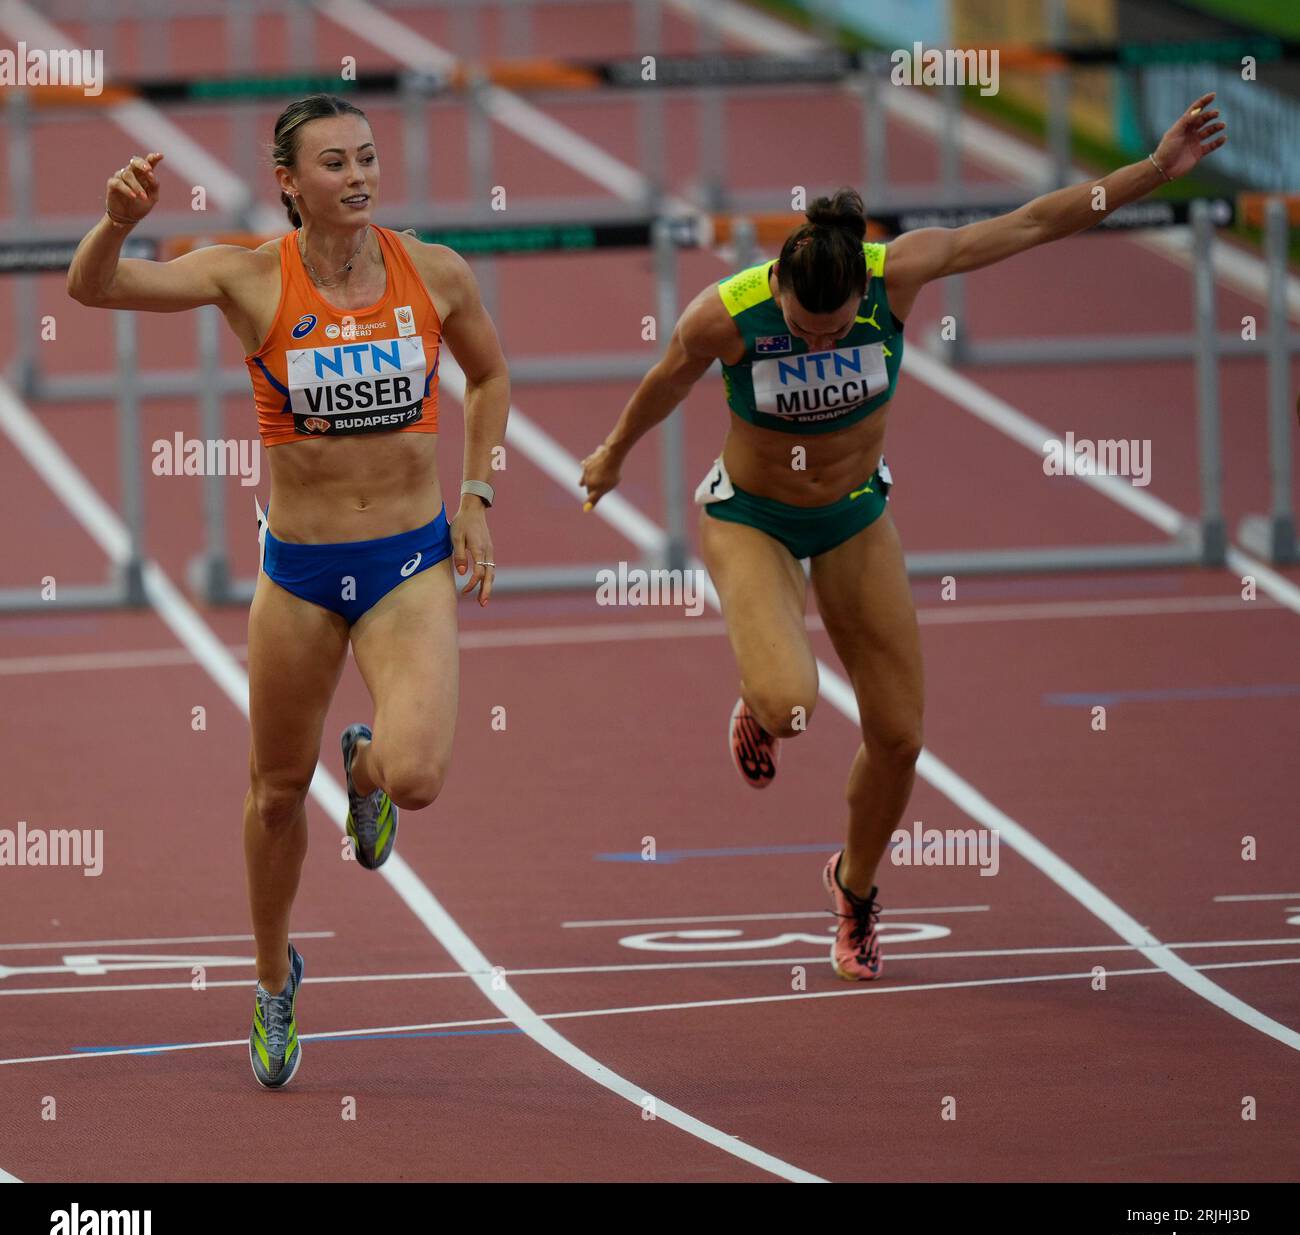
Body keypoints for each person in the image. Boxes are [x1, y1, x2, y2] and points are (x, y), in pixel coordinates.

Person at [579, 95, 1225, 982]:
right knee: (793, 705)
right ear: (777, 290)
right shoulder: (722, 316)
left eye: (841, 331)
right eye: (808, 334)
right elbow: (663, 382)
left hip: (852, 514)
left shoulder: (900, 271)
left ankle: (854, 888)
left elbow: (1034, 222)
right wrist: (613, 455)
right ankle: (761, 705)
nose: (822, 343)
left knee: (899, 734)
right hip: (753, 518)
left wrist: (1152, 170)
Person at [67, 94, 510, 1087]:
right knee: (273, 795)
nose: (358, 178)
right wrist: (117, 221)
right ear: (288, 182)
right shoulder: (247, 275)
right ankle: (274, 979)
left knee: (419, 778)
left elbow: (489, 377)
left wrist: (476, 492)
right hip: (301, 575)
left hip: (408, 563)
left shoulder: (434, 273)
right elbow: (93, 289)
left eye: (366, 159)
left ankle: (366, 773)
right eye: (335, 165)